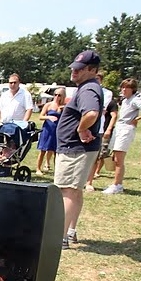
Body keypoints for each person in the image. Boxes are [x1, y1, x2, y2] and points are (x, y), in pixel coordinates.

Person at [53, 50, 103, 250]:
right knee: (75, 191)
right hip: (77, 148)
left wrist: (81, 129)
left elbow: (91, 113)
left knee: (67, 192)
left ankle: (59, 238)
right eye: (74, 67)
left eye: (80, 69)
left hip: (75, 149)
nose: (74, 71)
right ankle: (70, 231)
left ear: (92, 70)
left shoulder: (88, 89)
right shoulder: (87, 87)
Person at [103, 78, 141, 195]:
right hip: (119, 128)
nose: (124, 89)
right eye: (123, 87)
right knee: (115, 158)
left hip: (126, 129)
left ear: (133, 89)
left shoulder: (135, 100)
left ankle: (117, 185)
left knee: (119, 159)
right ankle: (116, 182)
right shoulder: (125, 100)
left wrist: (137, 119)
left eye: (127, 88)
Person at [85, 93, 119, 190]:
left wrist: (108, 129)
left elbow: (114, 116)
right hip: (84, 129)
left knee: (95, 157)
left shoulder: (108, 100)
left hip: (98, 131)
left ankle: (89, 182)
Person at [35, 88, 64, 175]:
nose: (56, 97)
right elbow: (40, 116)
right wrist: (48, 117)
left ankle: (57, 170)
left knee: (56, 152)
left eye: (59, 95)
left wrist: (62, 110)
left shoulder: (63, 106)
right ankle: (38, 169)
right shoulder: (48, 105)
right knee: (43, 150)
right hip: (47, 129)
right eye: (55, 94)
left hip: (57, 130)